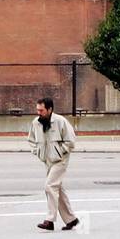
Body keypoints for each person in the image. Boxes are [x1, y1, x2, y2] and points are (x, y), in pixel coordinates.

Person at [28, 96, 78, 231]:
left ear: (50, 109)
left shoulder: (61, 122)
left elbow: (71, 141)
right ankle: (71, 219)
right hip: (47, 161)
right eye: (37, 110)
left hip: (60, 160)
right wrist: (37, 152)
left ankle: (50, 220)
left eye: (41, 110)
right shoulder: (36, 123)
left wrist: (60, 152)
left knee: (49, 186)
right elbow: (31, 140)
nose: (39, 113)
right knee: (57, 189)